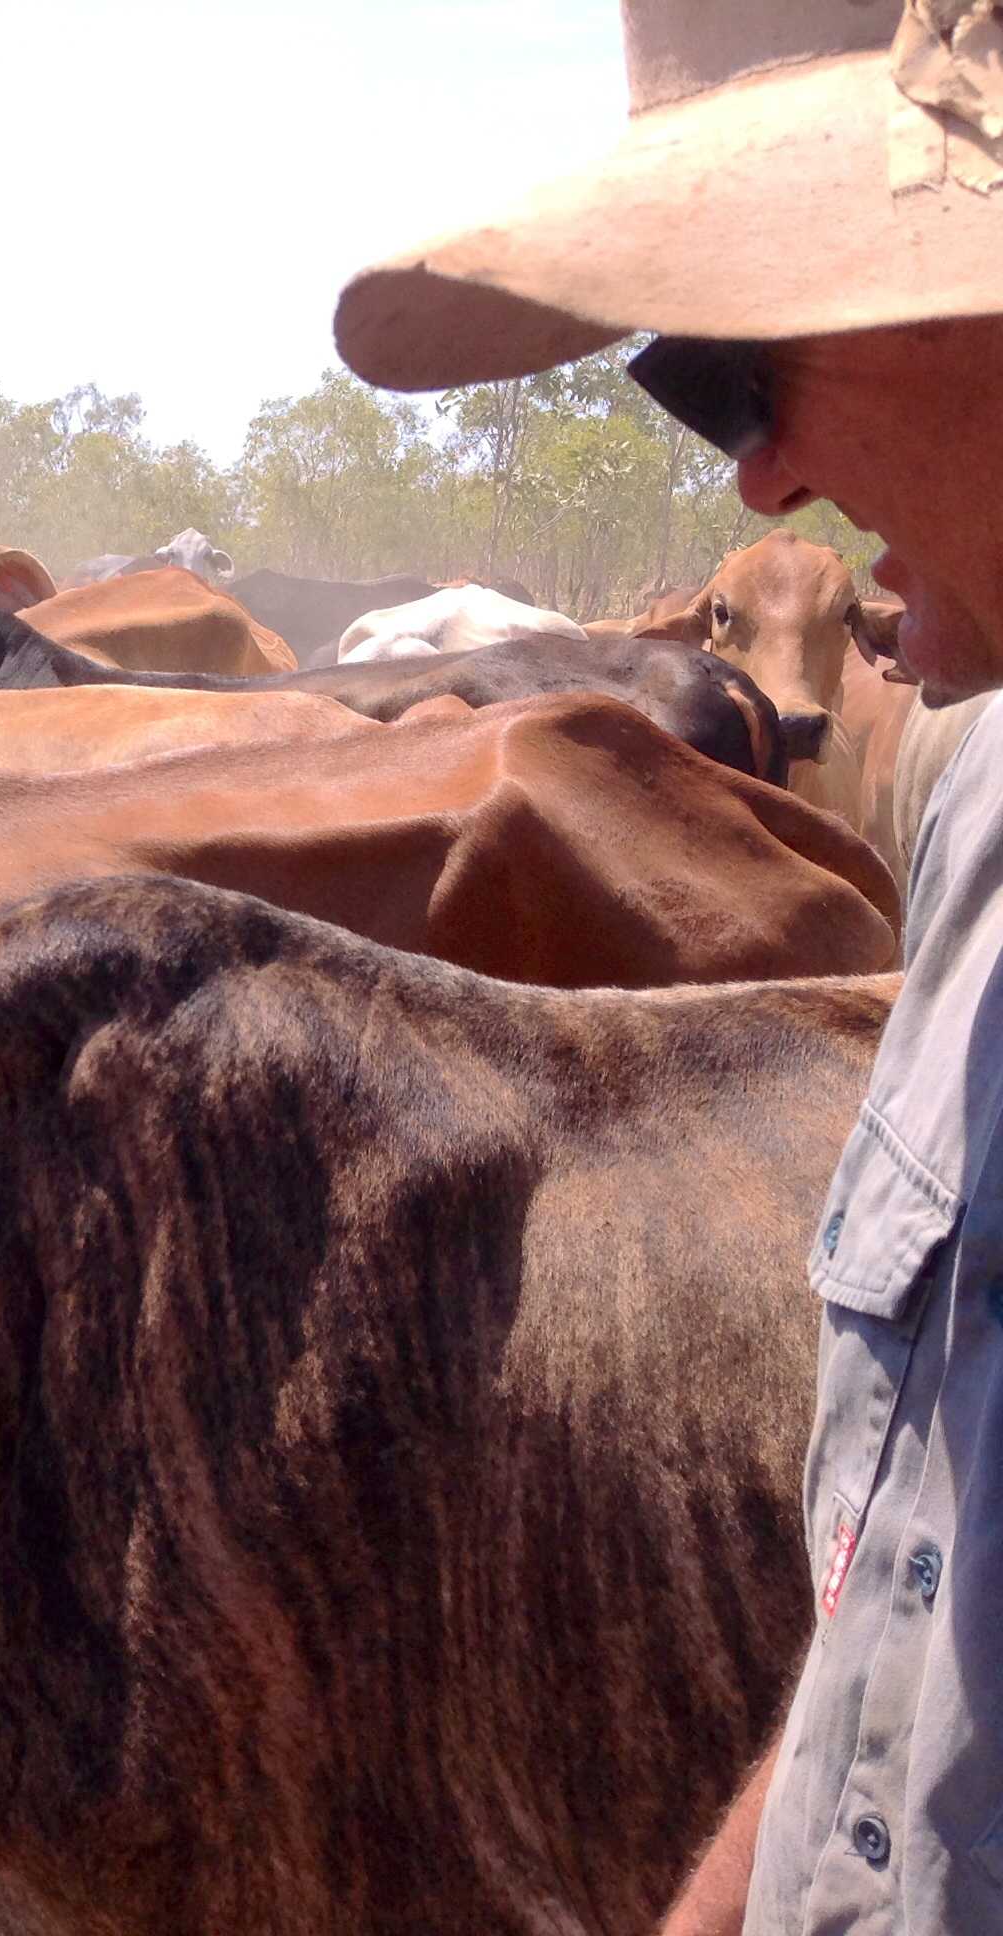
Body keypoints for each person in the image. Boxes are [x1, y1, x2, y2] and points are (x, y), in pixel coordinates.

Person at [338, 3, 1003, 1930]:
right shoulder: (974, 810)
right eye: (692, 389)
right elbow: (920, 1591)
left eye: (734, 366)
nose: (762, 475)